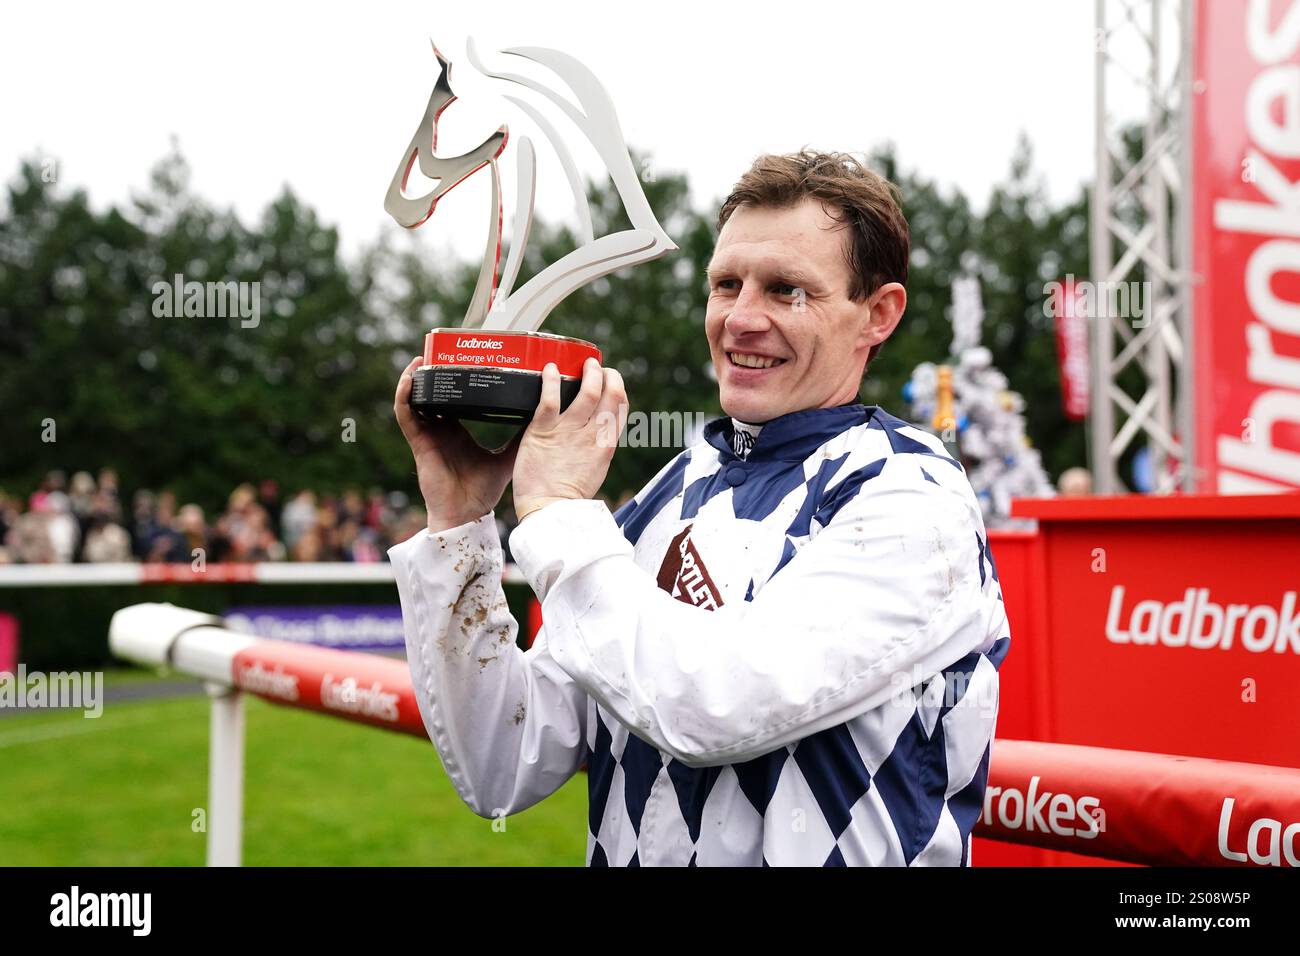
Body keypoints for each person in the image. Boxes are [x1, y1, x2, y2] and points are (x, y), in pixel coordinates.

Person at [389, 150, 1010, 866]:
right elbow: (503, 761)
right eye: (726, 284)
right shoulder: (670, 491)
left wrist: (557, 510)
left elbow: (715, 706)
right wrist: (461, 526)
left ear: (877, 314)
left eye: (787, 291)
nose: (742, 319)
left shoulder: (913, 500)